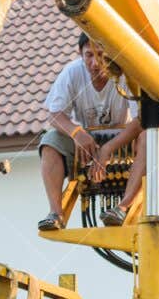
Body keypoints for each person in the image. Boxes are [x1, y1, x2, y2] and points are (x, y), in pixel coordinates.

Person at [37, 34, 145, 232]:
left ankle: (123, 207)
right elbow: (54, 115)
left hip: (124, 138)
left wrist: (109, 148)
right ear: (80, 55)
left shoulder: (126, 74)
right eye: (88, 56)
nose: (95, 63)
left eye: (102, 56)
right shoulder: (72, 72)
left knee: (148, 137)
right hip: (86, 142)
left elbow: (140, 120)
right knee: (50, 140)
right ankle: (55, 213)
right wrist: (77, 133)